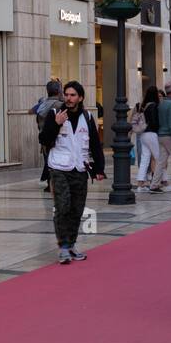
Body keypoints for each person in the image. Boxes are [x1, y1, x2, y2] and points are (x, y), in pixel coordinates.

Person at [38, 81, 106, 264]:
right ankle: (63, 247)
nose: (68, 98)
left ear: (80, 98)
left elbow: (95, 145)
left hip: (80, 168)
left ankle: (71, 244)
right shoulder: (55, 114)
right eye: (66, 94)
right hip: (59, 168)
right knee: (63, 206)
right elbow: (43, 139)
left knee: (77, 209)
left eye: (72, 95)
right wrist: (55, 125)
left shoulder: (88, 117)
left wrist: (99, 168)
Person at [34, 80, 63, 191]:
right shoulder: (60, 105)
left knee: (48, 160)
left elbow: (38, 120)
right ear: (58, 91)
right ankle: (53, 183)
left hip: (44, 138)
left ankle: (49, 182)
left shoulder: (42, 104)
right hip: (56, 138)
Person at [134, 85, 162, 191]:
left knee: (145, 159)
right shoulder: (153, 106)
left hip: (143, 134)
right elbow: (154, 122)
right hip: (152, 134)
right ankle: (157, 183)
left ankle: (140, 183)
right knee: (159, 158)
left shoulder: (143, 106)